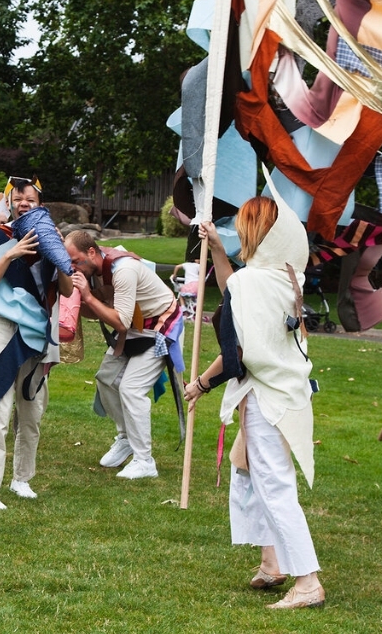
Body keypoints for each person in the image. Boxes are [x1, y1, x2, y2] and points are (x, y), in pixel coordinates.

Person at [185, 192, 324, 610]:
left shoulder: (255, 282)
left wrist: (202, 384)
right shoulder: (284, 276)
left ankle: (308, 582)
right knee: (247, 471)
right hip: (285, 394)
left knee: (275, 487)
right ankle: (272, 562)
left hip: (267, 397)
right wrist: (216, 251)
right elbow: (237, 294)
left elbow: (237, 351)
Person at [0, 179, 73, 509]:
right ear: (10, 203)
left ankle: (22, 479)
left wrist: (60, 254)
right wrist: (11, 254)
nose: (25, 203)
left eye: (31, 199)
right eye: (19, 198)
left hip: (37, 332)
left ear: (40, 204)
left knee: (31, 412)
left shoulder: (49, 240)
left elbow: (68, 290)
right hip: (2, 326)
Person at [63, 229, 184, 479]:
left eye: (75, 261)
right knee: (105, 378)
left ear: (92, 252)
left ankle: (145, 460)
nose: (73, 267)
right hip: (136, 327)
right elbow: (95, 312)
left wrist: (87, 296)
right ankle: (126, 437)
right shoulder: (93, 271)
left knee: (131, 388)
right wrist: (77, 300)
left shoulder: (123, 270)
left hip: (160, 326)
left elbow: (120, 322)